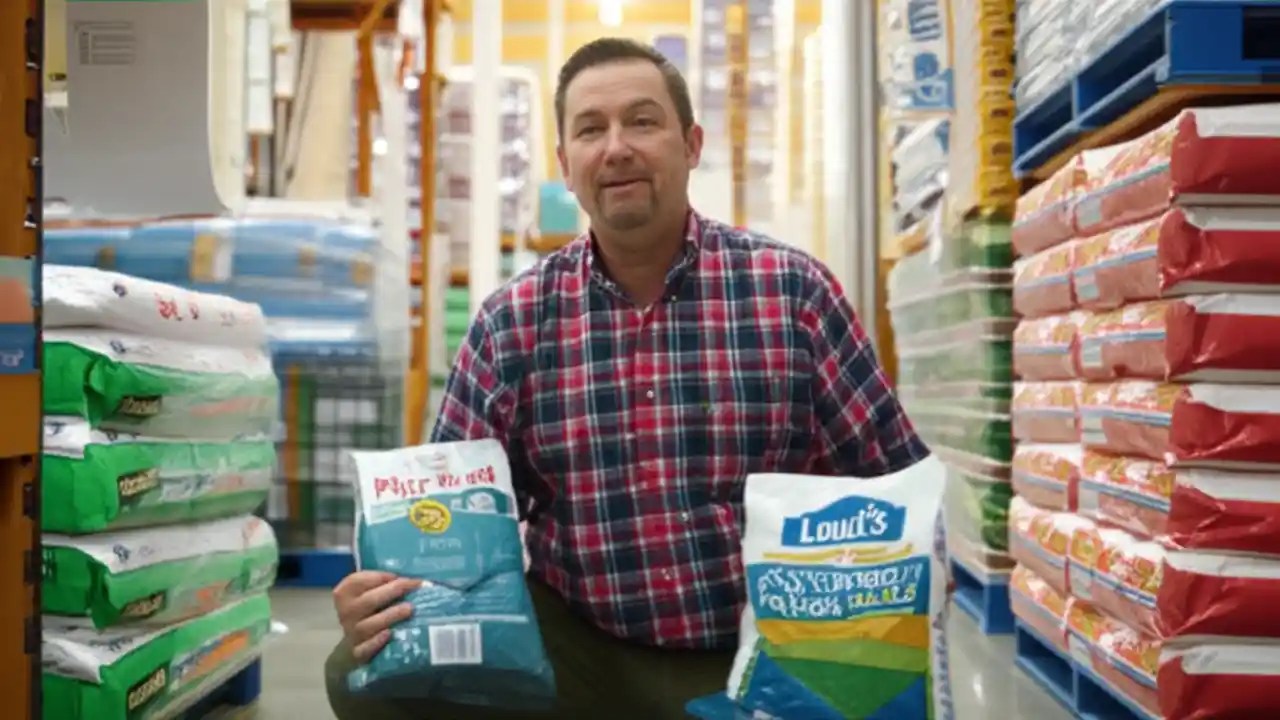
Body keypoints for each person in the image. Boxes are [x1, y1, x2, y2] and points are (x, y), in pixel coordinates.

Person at [326, 37, 929, 719]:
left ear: (691, 144)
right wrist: (383, 596)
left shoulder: (792, 294)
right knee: (368, 675)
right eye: (591, 129)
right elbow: (442, 521)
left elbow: (897, 485)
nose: (616, 147)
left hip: (765, 650)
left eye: (642, 121)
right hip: (582, 651)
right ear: (565, 164)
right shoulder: (513, 322)